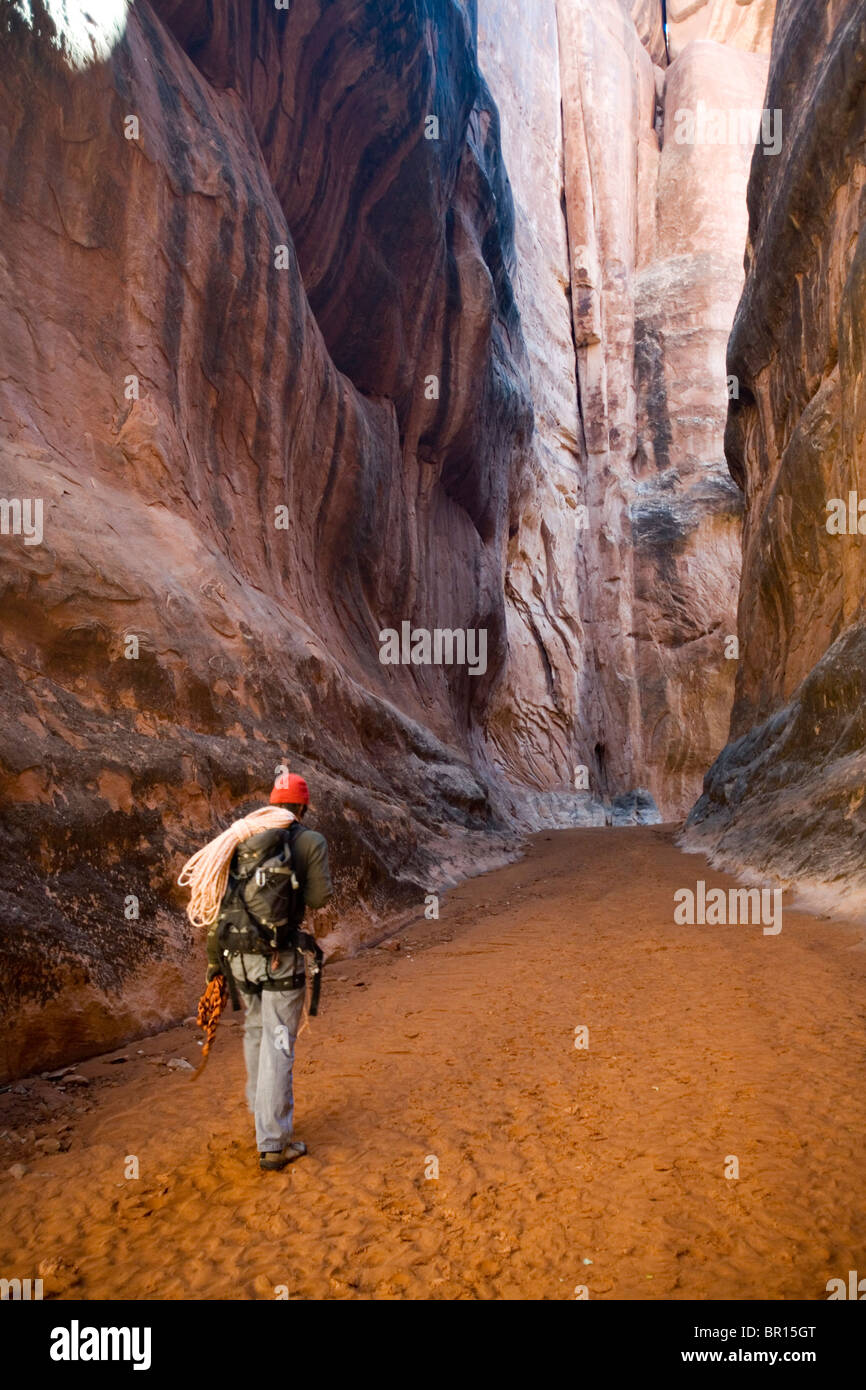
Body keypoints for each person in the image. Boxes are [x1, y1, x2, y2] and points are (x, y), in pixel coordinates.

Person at [205, 775, 333, 1170]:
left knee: (258, 1034)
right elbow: (319, 898)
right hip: (279, 957)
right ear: (303, 807)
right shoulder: (309, 841)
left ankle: (263, 1121)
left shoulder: (242, 836)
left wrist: (215, 966)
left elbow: (220, 899)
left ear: (272, 802)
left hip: (237, 956)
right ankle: (274, 1143)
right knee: (279, 1044)